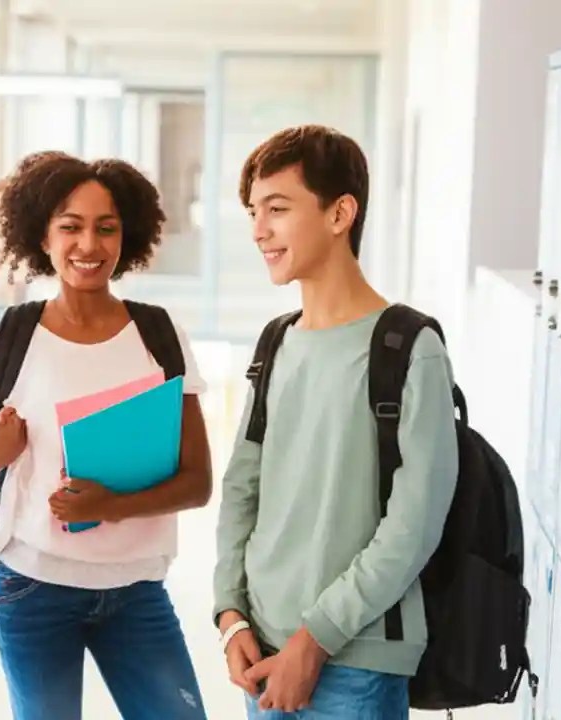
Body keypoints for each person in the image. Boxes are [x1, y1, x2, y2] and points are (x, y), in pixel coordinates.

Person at [212, 125, 459, 719]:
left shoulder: (409, 346)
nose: (258, 231)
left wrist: (315, 639)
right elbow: (241, 487)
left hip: (357, 659)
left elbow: (414, 524)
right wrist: (230, 614)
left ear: (339, 213)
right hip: (265, 648)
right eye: (253, 212)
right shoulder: (275, 342)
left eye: (277, 209)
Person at [0, 151, 212, 720]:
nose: (88, 246)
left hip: (137, 591)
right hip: (33, 587)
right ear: (42, 236)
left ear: (129, 236)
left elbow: (198, 483)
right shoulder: (15, 337)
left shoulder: (159, 335)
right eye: (70, 227)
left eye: (106, 228)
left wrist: (113, 505)